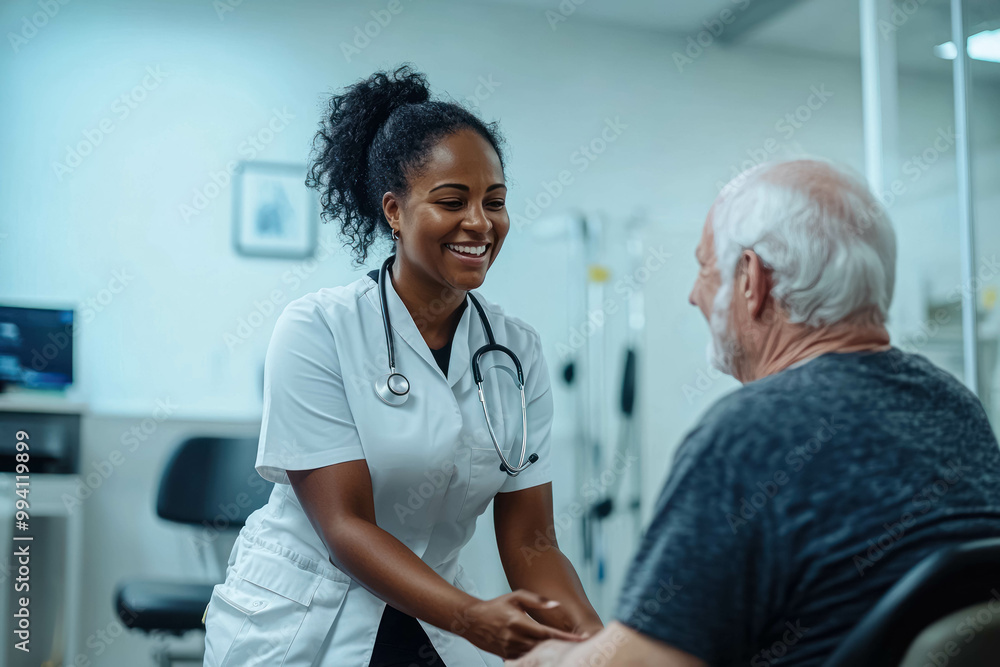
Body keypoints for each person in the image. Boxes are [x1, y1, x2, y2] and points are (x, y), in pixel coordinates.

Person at [508, 159, 1000, 666]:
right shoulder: (955, 405)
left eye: (704, 268)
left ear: (751, 279)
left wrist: (544, 658)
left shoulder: (750, 433)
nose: (693, 294)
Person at [202, 65, 602, 667]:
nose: (479, 223)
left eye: (494, 202)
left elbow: (529, 541)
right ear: (394, 210)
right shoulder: (317, 330)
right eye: (451, 201)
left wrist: (598, 643)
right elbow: (345, 527)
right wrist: (471, 617)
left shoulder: (516, 351)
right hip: (304, 618)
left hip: (430, 618)